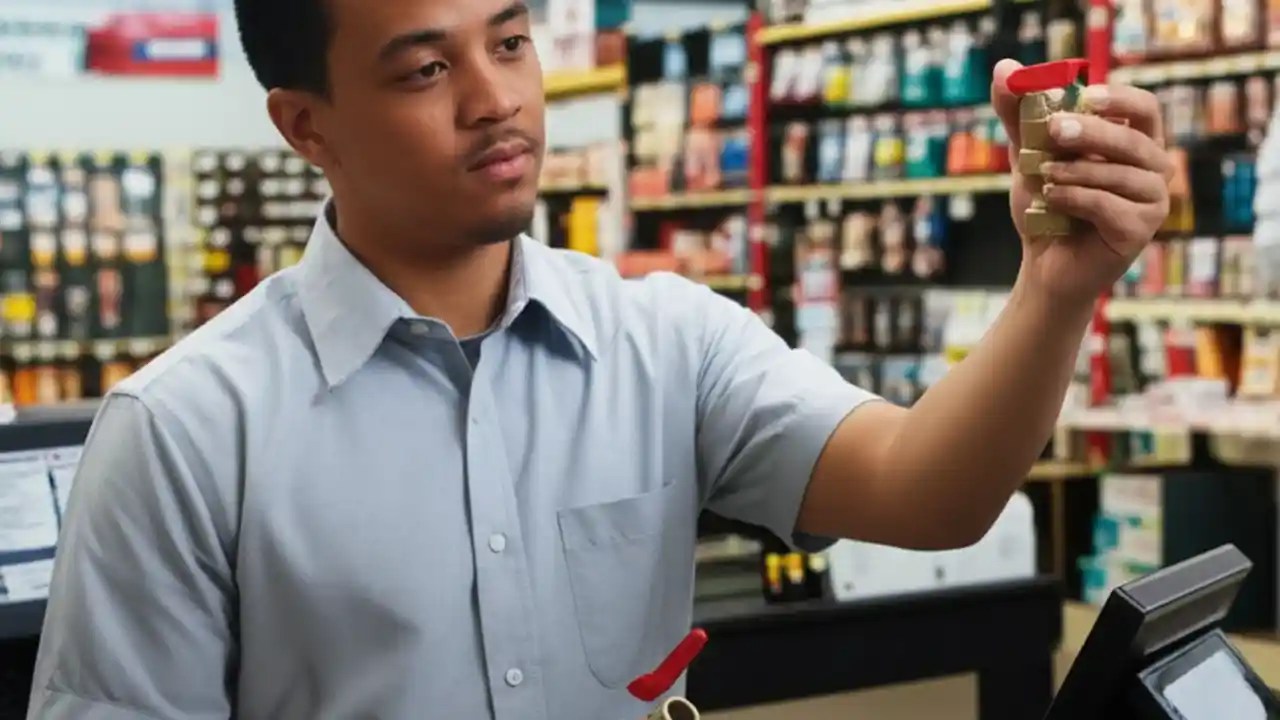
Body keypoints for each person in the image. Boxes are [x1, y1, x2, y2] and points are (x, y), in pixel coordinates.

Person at [26, 0, 1171, 718]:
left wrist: (1053, 289)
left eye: (509, 42)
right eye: (424, 71)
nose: (495, 101)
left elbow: (928, 491)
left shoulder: (664, 341)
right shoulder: (183, 432)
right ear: (304, 127)